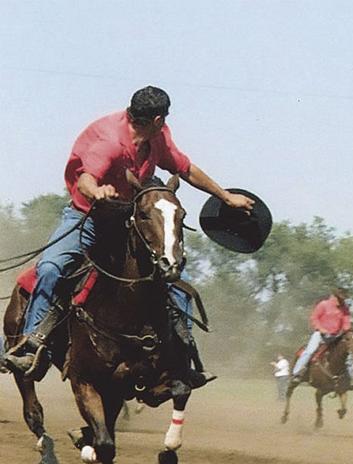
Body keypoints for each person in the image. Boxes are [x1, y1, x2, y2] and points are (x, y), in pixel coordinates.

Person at [2, 85, 254, 383]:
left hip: (129, 219)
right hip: (88, 217)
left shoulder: (157, 139)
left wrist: (225, 196)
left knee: (177, 281)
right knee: (51, 269)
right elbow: (85, 179)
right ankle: (32, 343)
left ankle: (183, 359)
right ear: (158, 119)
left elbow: (185, 169)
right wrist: (98, 192)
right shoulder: (110, 141)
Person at [292, 287, 353, 389]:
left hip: (336, 336)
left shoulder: (345, 308)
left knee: (347, 353)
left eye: (344, 298)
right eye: (341, 298)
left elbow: (346, 323)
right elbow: (314, 317)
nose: (343, 300)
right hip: (320, 334)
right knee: (310, 351)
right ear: (335, 296)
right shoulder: (324, 305)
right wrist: (321, 329)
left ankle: (349, 378)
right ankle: (297, 373)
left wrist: (348, 331)